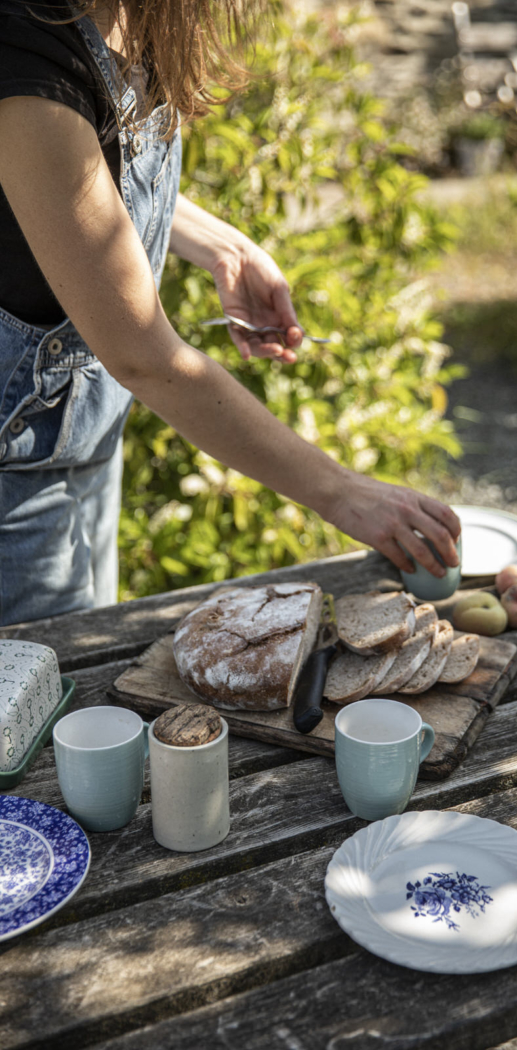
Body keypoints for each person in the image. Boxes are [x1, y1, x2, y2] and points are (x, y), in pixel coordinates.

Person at [0, 0, 461, 627]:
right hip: (14, 481)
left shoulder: (129, 15)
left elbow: (80, 179)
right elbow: (144, 358)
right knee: (41, 707)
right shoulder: (21, 47)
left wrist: (221, 243)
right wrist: (342, 492)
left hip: (81, 448)